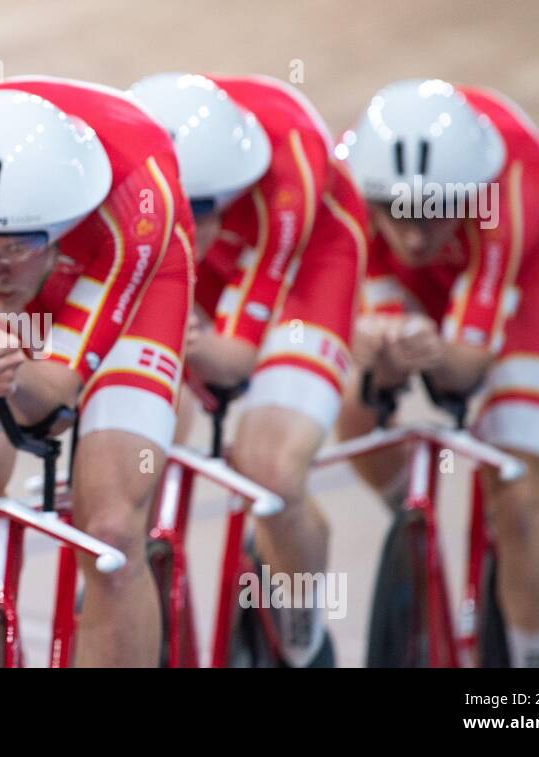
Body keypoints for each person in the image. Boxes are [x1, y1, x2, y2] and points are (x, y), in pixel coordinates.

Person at [0, 76, 194, 666]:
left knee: (110, 533)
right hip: (21, 248)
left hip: (129, 274)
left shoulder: (138, 201)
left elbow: (57, 399)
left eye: (13, 248)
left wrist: (12, 373)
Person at [335, 79, 539, 667]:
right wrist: (380, 353)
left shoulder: (511, 183)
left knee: (518, 491)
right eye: (398, 214)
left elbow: (465, 368)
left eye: (433, 212)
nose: (415, 235)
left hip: (524, 275)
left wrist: (438, 354)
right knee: (354, 415)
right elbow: (373, 357)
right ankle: (416, 533)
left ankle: (536, 679)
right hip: (416, 279)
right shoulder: (353, 179)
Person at [130, 73, 366, 666]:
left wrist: (189, 345)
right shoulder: (120, 162)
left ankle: (301, 637)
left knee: (271, 472)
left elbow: (234, 357)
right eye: (176, 209)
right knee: (128, 460)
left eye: (200, 210)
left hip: (306, 269)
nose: (189, 225)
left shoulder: (293, 167)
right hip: (168, 252)